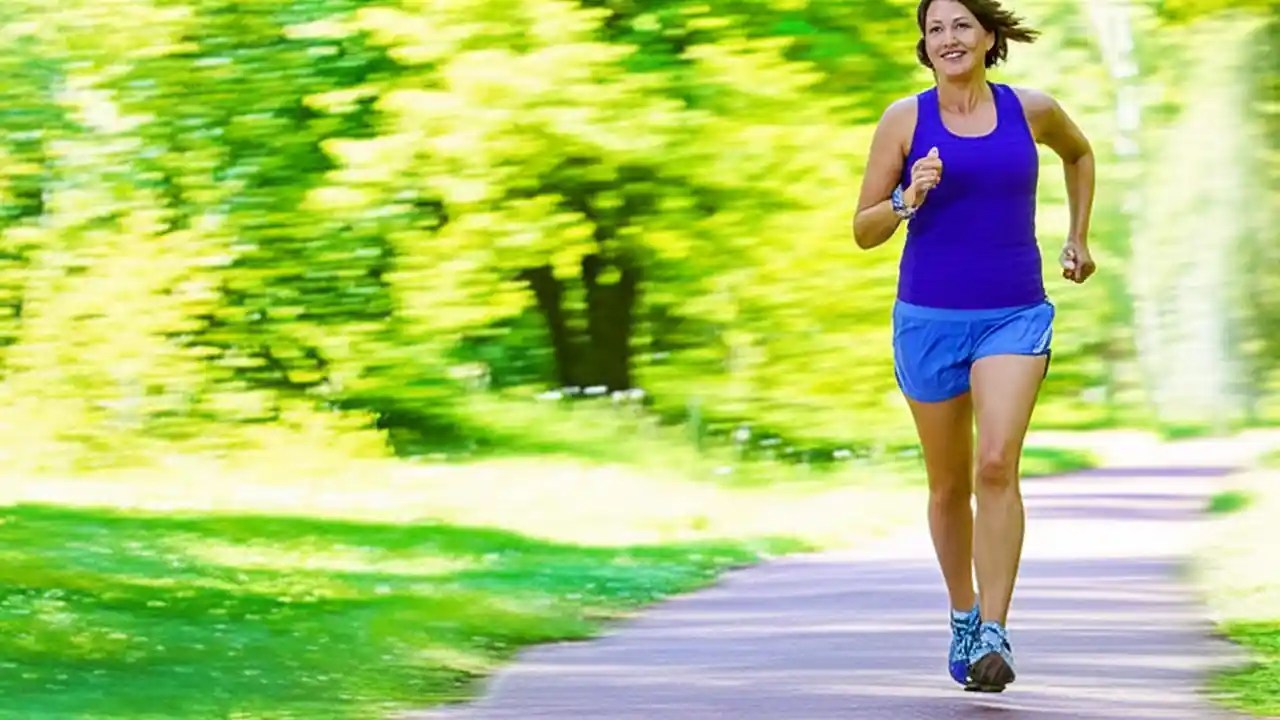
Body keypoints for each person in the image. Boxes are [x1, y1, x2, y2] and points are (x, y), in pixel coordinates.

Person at [851, 0, 1097, 694]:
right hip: (928, 318)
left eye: (962, 25)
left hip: (1013, 314)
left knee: (995, 465)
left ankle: (994, 629)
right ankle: (962, 612)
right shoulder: (904, 120)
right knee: (948, 484)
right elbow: (863, 230)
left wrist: (1078, 237)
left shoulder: (1032, 110)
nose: (948, 38)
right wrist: (907, 197)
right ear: (924, 46)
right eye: (935, 29)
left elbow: (1079, 154)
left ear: (989, 37)